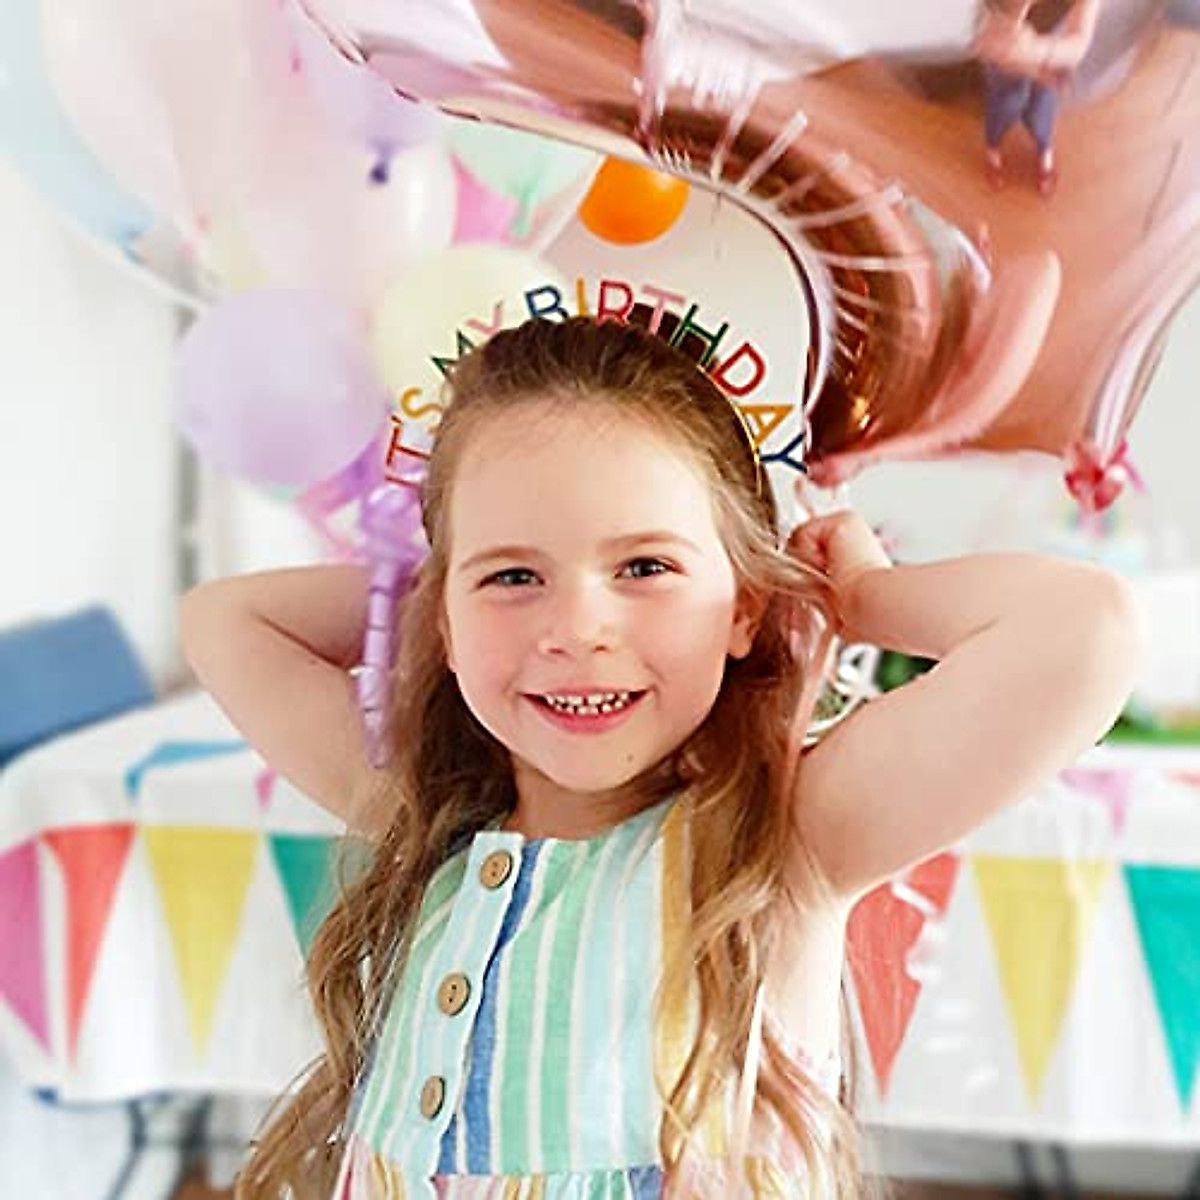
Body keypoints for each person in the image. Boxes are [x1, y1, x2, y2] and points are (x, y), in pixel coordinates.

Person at [180, 315, 1144, 1198]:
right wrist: (438, 603)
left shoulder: (787, 846)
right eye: (514, 576)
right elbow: (224, 620)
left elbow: (1084, 632)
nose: (577, 628)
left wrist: (859, 594)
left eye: (645, 567)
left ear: (744, 606)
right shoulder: (424, 818)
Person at [974, 0, 1101, 196]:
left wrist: (1037, 52)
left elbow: (1079, 43)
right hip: (1003, 42)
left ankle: (1044, 149)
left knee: (1042, 110)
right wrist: (1031, 62)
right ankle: (993, 148)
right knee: (1005, 104)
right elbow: (994, 46)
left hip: (1043, 45)